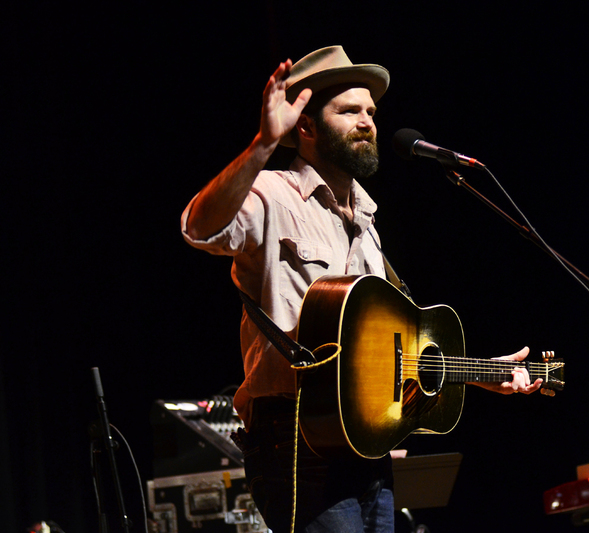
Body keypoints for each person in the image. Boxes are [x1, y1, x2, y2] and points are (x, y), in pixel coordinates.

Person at [181, 46, 543, 533]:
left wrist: (475, 373)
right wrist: (262, 144)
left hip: (364, 443)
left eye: (371, 111)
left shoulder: (368, 220)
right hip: (296, 437)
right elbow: (198, 227)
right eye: (349, 111)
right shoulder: (272, 193)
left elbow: (385, 350)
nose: (367, 121)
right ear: (305, 127)